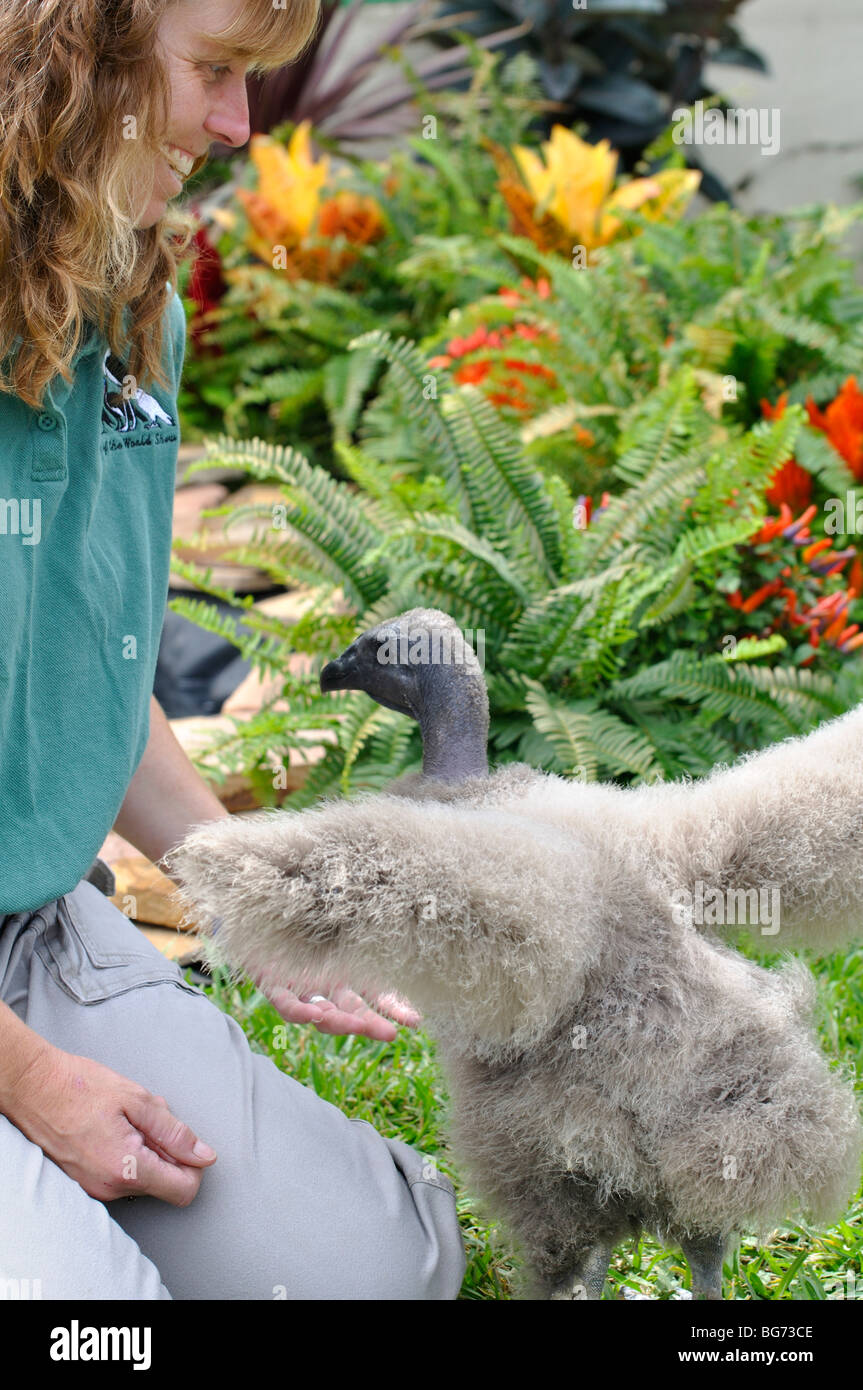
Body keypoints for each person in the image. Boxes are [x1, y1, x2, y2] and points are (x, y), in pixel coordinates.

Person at [0, 0, 466, 1299]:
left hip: (28, 935)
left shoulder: (132, 313)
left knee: (384, 1265)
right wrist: (36, 1087)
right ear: (73, 45)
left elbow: (92, 675)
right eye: (213, 71)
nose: (238, 125)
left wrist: (243, 900)